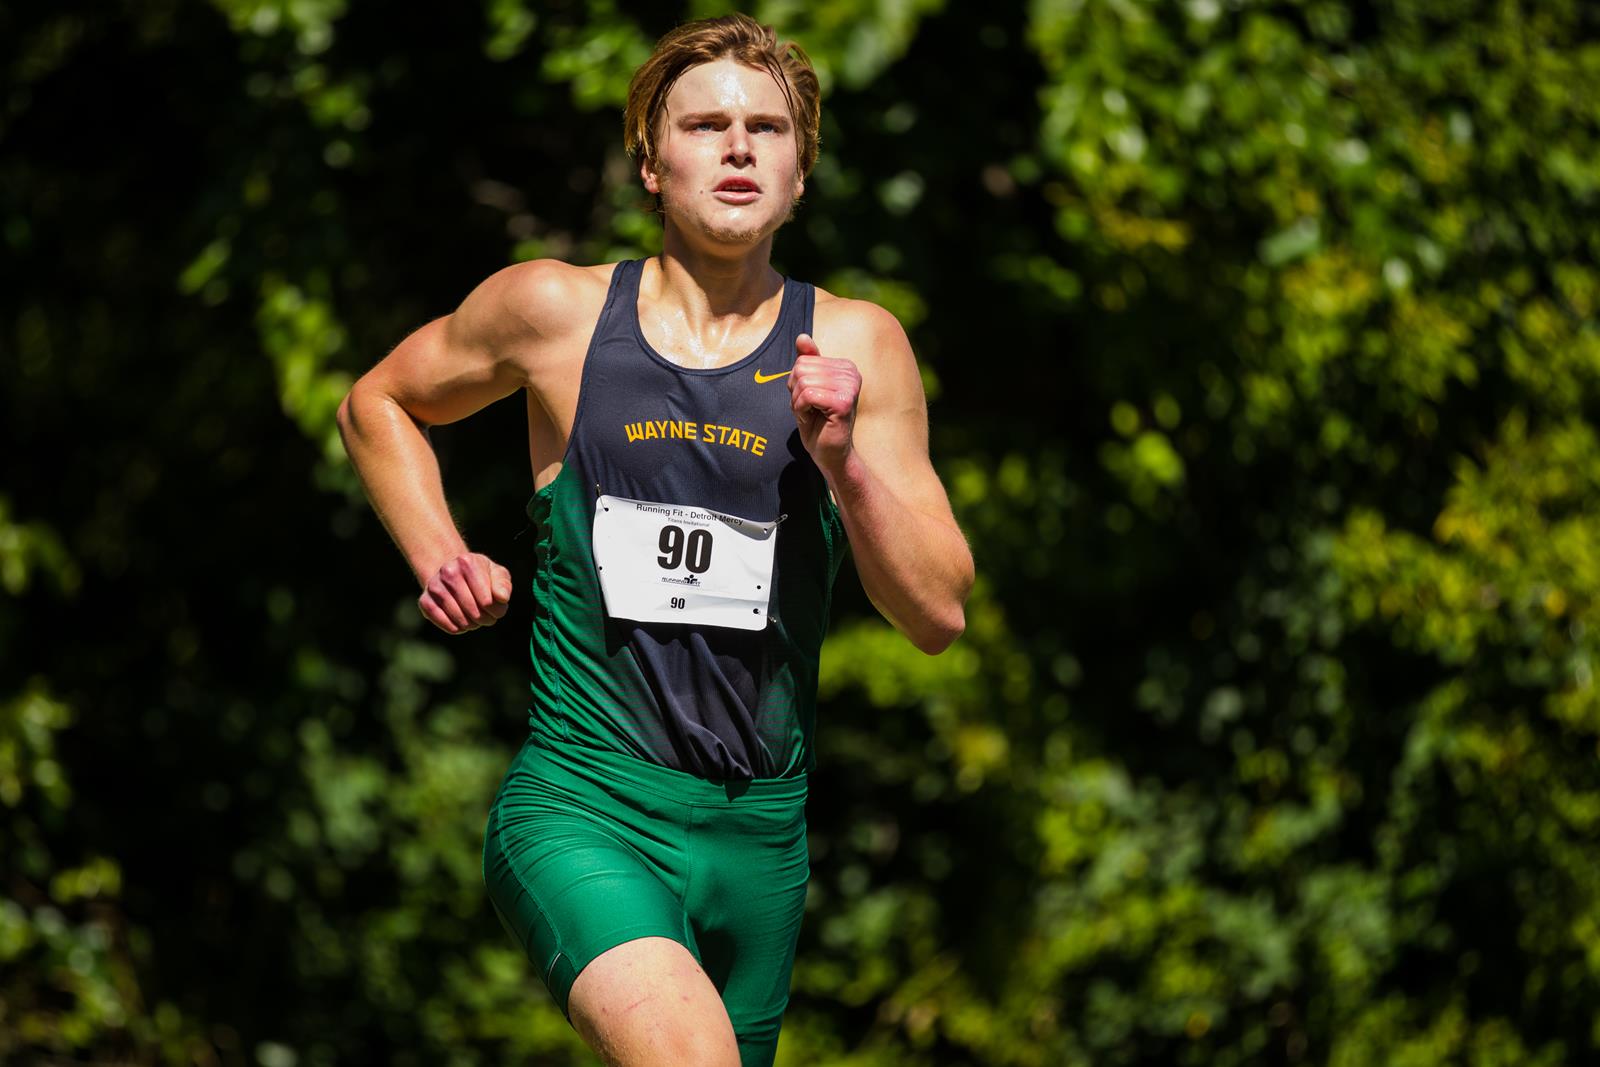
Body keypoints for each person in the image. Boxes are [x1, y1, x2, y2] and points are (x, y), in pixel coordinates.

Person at [336, 13, 972, 1066]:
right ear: (651, 162)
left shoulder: (856, 344)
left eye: (766, 129)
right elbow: (379, 404)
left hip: (761, 840)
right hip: (587, 801)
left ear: (800, 172)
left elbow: (937, 612)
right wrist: (440, 553)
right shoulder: (555, 312)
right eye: (707, 124)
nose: (737, 146)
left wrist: (844, 459)